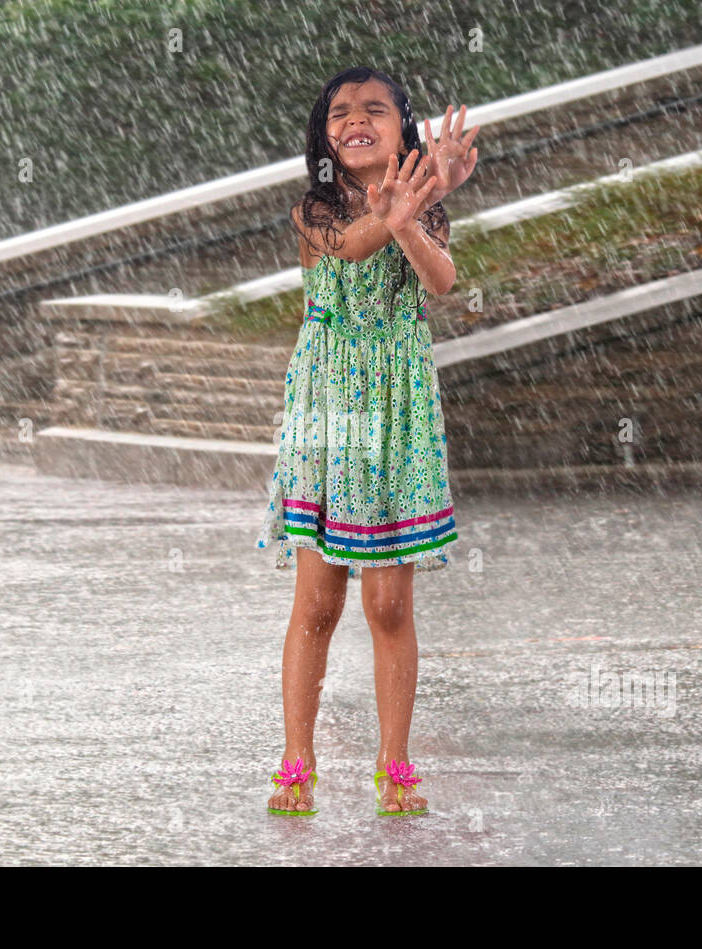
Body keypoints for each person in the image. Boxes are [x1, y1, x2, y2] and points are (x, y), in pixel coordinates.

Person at [255, 66, 478, 814]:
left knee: (388, 603)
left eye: (374, 110)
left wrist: (418, 210)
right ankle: (297, 759)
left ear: (402, 130)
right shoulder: (313, 211)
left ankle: (395, 764)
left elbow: (440, 281)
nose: (355, 119)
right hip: (329, 407)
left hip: (399, 406)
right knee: (318, 599)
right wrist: (420, 195)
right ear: (323, 136)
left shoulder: (427, 209)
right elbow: (351, 247)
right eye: (340, 112)